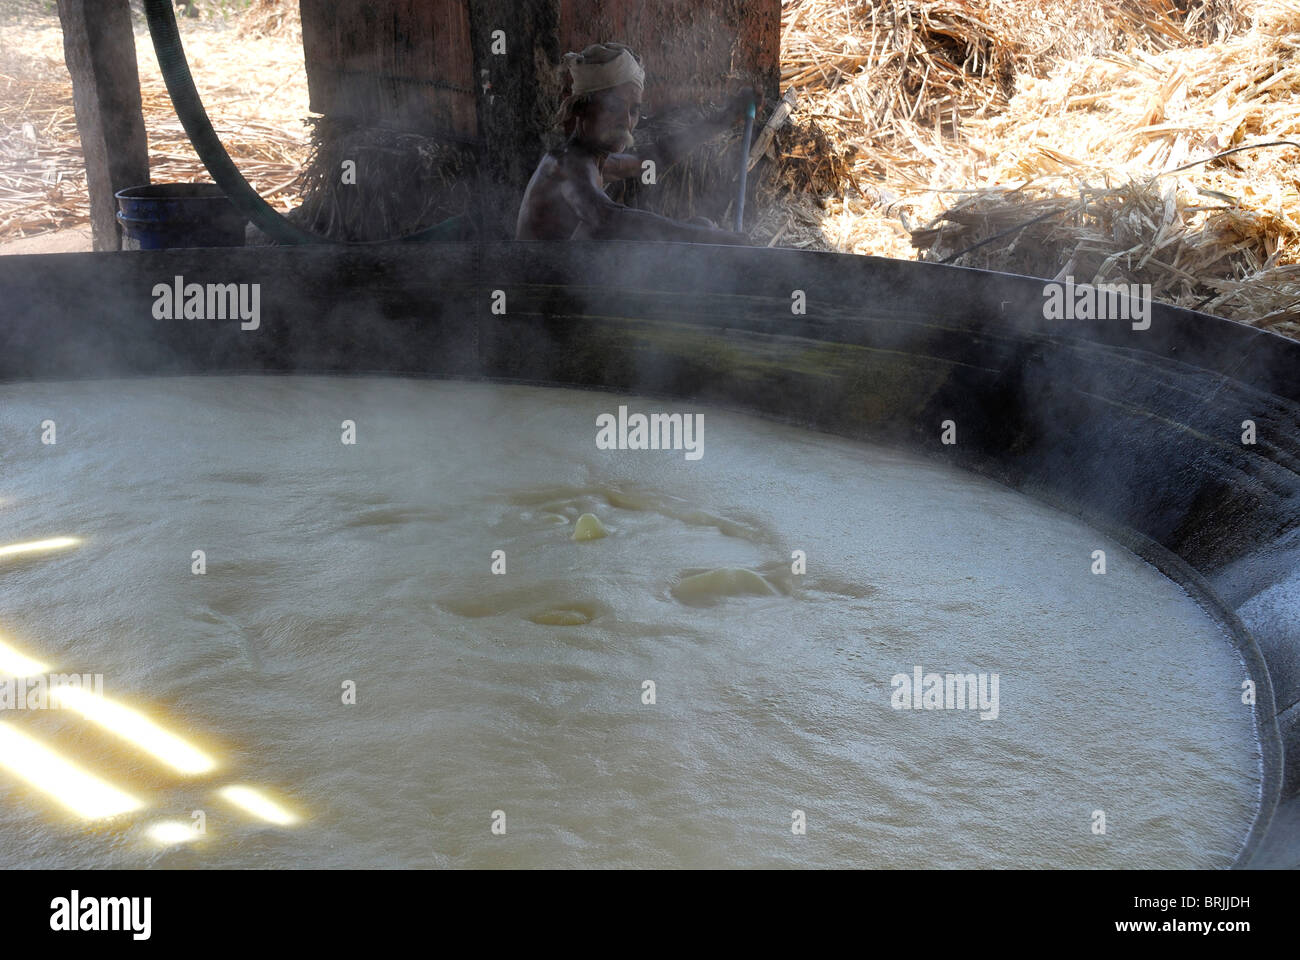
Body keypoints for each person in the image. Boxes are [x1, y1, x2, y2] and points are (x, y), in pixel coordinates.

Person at [515, 42, 761, 243]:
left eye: (633, 110)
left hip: (567, 285)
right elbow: (605, 217)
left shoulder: (599, 162)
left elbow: (653, 158)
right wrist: (707, 237)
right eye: (613, 107)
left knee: (697, 226)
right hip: (540, 293)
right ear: (581, 109)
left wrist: (725, 118)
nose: (626, 121)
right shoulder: (565, 164)